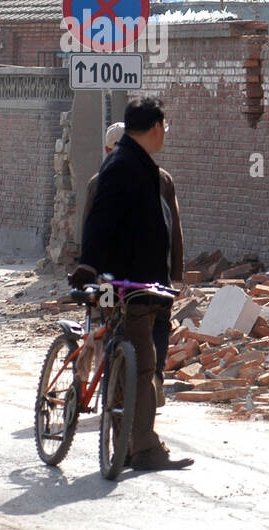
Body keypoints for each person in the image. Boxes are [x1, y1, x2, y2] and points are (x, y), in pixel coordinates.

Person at [71, 97, 192, 471]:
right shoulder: (124, 168)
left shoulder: (145, 170)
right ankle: (143, 448)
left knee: (127, 355)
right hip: (127, 283)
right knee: (141, 362)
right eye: (165, 129)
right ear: (156, 128)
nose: (165, 135)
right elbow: (98, 220)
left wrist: (174, 274)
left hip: (137, 282)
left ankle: (125, 442)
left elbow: (170, 228)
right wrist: (89, 264)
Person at [82, 121, 185, 408]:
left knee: (109, 320)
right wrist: (176, 272)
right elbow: (174, 229)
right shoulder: (161, 179)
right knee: (159, 322)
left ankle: (115, 388)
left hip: (110, 278)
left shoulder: (99, 182)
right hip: (153, 276)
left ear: (106, 150)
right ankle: (153, 380)